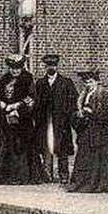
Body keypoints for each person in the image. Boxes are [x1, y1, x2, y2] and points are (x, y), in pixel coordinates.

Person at [67, 69, 108, 193]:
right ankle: (83, 183)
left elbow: (106, 113)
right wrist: (79, 116)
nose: (88, 84)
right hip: (87, 131)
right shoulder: (82, 96)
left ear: (97, 82)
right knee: (84, 157)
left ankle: (99, 184)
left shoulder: (103, 95)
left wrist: (91, 113)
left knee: (100, 158)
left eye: (90, 82)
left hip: (99, 132)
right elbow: (77, 112)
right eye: (86, 82)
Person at [0, 53, 41, 184]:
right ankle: (6, 176)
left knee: (21, 146)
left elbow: (32, 98)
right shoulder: (4, 79)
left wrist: (17, 106)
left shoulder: (27, 79)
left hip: (22, 119)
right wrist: (1, 104)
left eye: (17, 68)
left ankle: (22, 176)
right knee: (7, 145)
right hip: (6, 118)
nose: (15, 71)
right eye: (12, 68)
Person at [32, 52, 77, 184]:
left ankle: (64, 175)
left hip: (61, 122)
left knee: (62, 148)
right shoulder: (40, 83)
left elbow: (73, 101)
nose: (51, 68)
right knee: (47, 147)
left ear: (57, 66)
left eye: (53, 65)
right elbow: (35, 103)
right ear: (45, 67)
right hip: (45, 122)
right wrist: (37, 117)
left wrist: (67, 115)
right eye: (48, 66)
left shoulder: (66, 83)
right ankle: (47, 174)